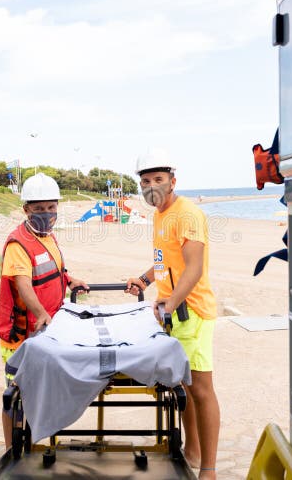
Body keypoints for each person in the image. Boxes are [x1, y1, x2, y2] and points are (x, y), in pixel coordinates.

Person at [125, 148, 220, 479]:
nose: (152, 185)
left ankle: (208, 469)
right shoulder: (160, 214)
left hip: (191, 311)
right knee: (183, 384)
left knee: (201, 389)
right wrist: (145, 278)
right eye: (146, 181)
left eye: (158, 179)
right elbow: (166, 259)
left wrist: (170, 302)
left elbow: (193, 269)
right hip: (172, 312)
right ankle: (191, 448)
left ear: (172, 181)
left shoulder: (188, 214)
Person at [0, 172, 88, 447]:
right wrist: (42, 313)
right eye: (38, 209)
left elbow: (54, 269)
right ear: (26, 210)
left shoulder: (47, 236)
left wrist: (71, 280)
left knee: (40, 391)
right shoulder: (18, 243)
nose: (46, 214)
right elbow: (24, 286)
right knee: (16, 394)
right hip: (22, 334)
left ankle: (34, 442)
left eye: (51, 208)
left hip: (46, 329)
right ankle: (12, 451)